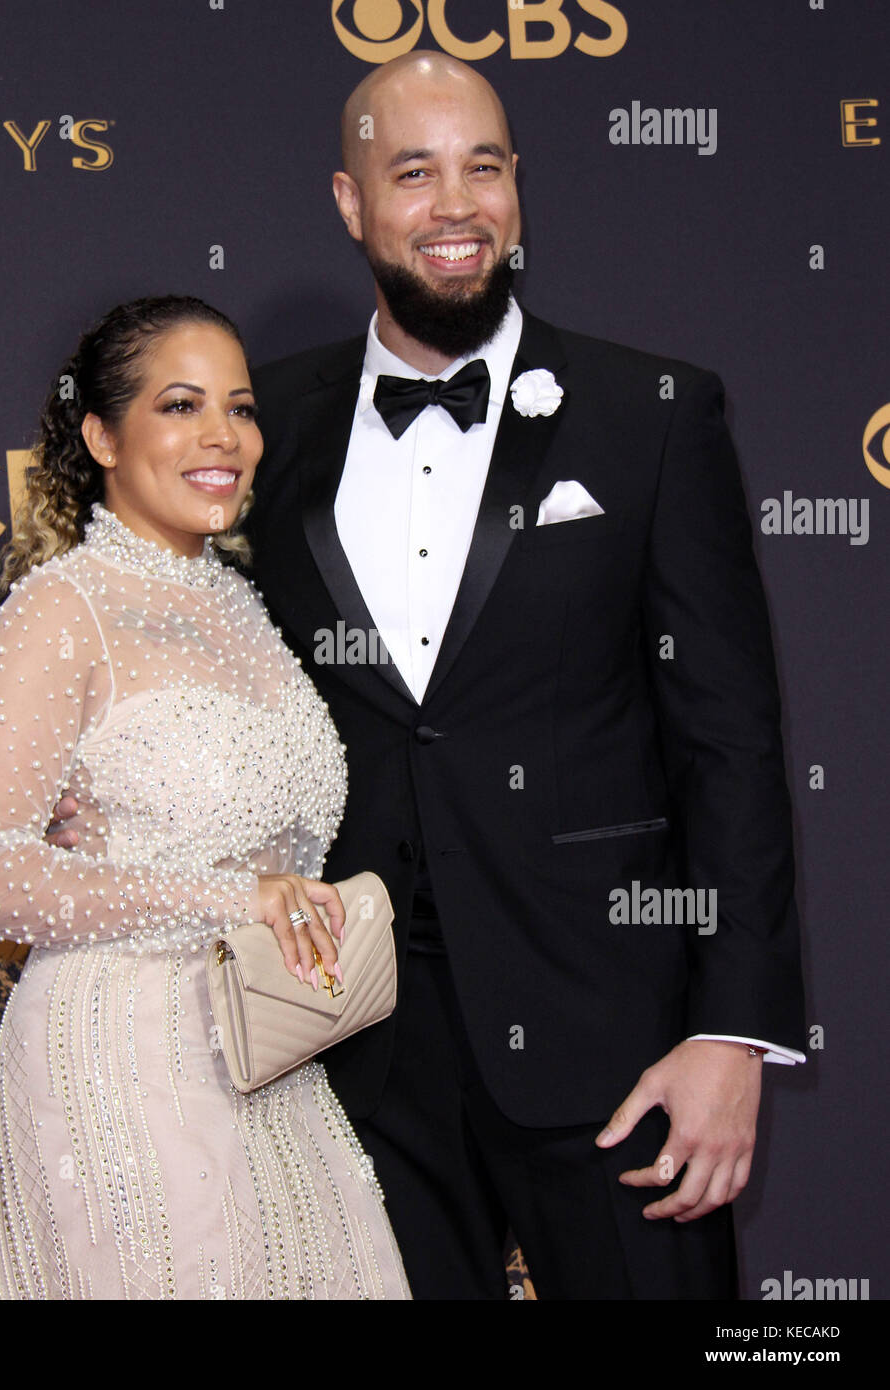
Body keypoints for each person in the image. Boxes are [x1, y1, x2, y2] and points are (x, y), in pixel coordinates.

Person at [241, 53, 807, 1299]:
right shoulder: (260, 428)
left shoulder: (649, 411)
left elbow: (730, 742)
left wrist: (732, 1032)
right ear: (350, 202)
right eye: (414, 172)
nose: (458, 205)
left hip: (613, 1037)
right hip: (353, 1051)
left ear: (519, 186)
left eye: (485, 168)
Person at [0, 295, 411, 1301]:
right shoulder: (60, 610)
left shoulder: (240, 601)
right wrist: (235, 898)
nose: (222, 437)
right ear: (102, 434)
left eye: (240, 405)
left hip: (271, 1050)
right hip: (118, 1062)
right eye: (181, 405)